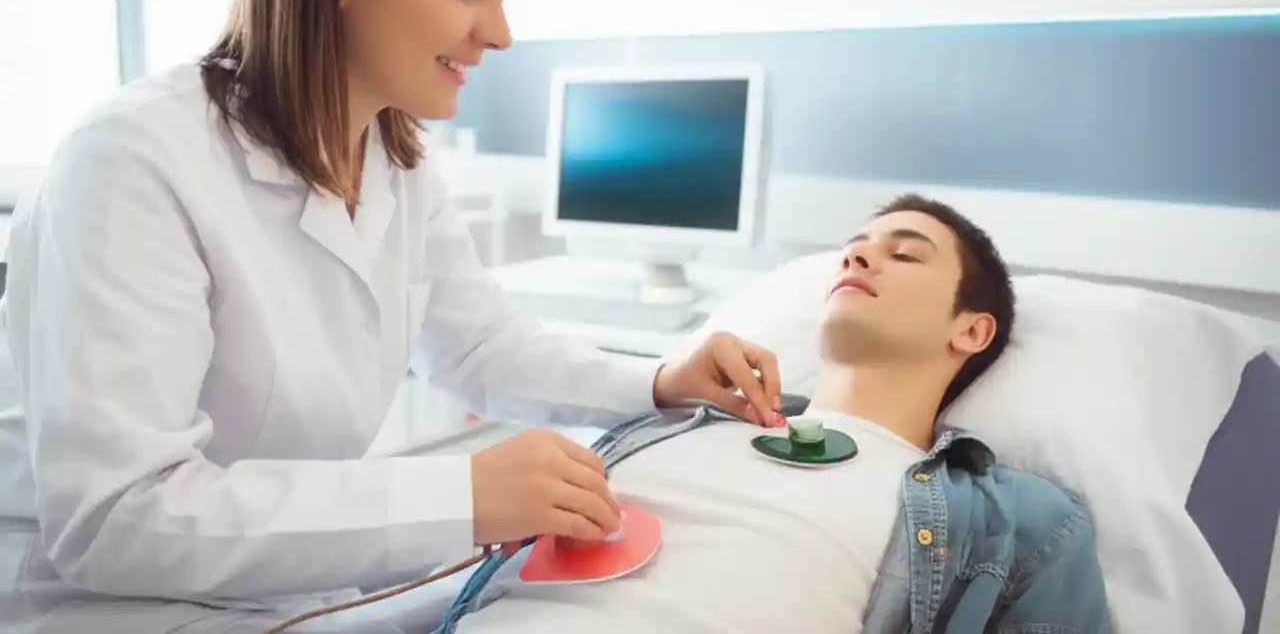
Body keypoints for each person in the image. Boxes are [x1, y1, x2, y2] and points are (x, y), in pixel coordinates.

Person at [0, 0, 786, 631]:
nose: (501, 33)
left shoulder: (391, 157)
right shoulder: (133, 164)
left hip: (294, 591)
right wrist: (463, 496)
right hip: (118, 611)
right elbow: (117, 521)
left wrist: (659, 382)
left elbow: (479, 348)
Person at [434, 195, 1112, 633]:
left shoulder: (1013, 518)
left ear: (971, 331)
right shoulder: (667, 430)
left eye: (903, 253)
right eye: (858, 246)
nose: (860, 254)